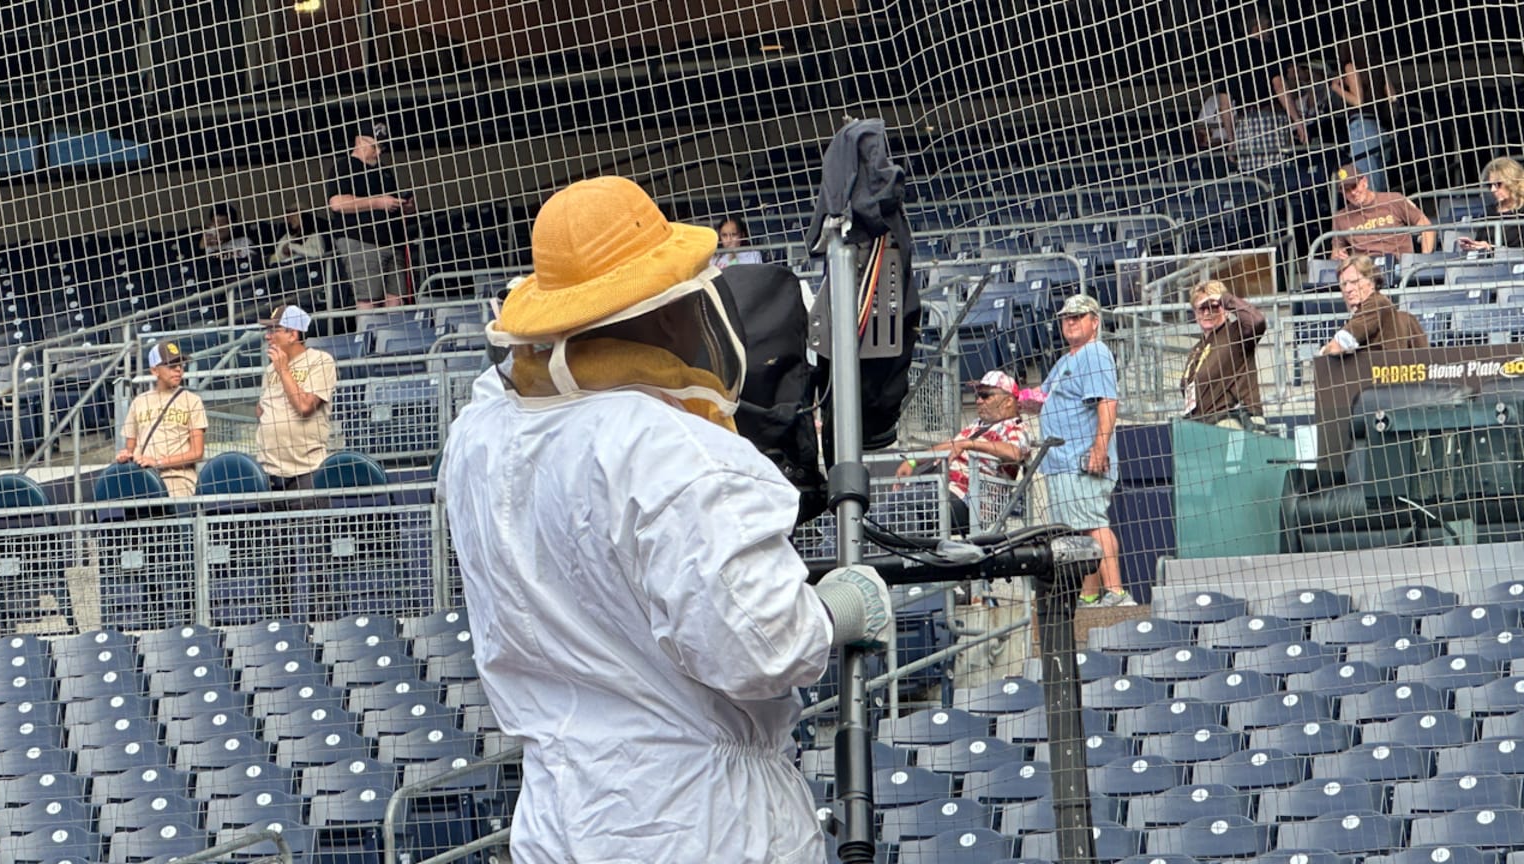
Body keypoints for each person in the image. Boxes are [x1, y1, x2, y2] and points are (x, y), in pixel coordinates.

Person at [440, 175, 892, 864]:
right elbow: (758, 647)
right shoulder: (673, 450)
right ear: (664, 311)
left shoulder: (479, 437)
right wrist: (834, 612)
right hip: (699, 823)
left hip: (559, 817)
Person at [1027, 295, 1131, 608]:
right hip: (1061, 462)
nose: (1070, 322)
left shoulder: (1095, 353)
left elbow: (1108, 402)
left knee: (1093, 524)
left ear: (1094, 321)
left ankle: (1116, 594)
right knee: (1080, 530)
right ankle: (1089, 596)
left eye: (1078, 316)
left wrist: (1099, 448)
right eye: (1066, 317)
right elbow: (1041, 398)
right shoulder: (1064, 361)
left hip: (1081, 459)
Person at [894, 370, 1028, 531]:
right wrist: (912, 461)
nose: (978, 401)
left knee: (902, 505)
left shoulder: (1015, 427)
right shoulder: (976, 425)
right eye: (977, 395)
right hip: (943, 489)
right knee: (888, 507)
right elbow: (950, 445)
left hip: (971, 500)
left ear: (1008, 401)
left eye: (985, 395)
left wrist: (969, 444)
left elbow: (1015, 452)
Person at [326, 121, 415, 321]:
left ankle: (394, 337)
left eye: (382, 147)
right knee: (369, 302)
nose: (379, 152)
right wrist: (377, 202)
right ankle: (369, 339)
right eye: (375, 146)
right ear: (359, 141)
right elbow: (337, 203)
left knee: (397, 300)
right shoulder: (344, 166)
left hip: (392, 241)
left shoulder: (383, 170)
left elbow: (388, 202)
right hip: (362, 241)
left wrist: (403, 206)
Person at [255, 304, 337, 492]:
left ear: (293, 335)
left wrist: (283, 370)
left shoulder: (320, 360)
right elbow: (261, 409)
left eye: (274, 330)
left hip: (307, 470)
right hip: (269, 470)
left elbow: (305, 407)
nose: (267, 336)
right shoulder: (271, 369)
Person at [1215, 6, 1307, 172]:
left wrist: (1231, 139)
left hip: (1244, 126)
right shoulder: (1268, 50)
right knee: (1277, 177)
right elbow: (1279, 86)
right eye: (1268, 26)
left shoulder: (1230, 55)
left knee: (1253, 181)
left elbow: (1225, 104)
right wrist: (1297, 120)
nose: (1270, 31)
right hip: (1271, 121)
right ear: (1257, 27)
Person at [117, 340, 208, 497]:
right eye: (171, 365)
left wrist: (159, 462)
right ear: (155, 370)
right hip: (143, 480)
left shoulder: (192, 400)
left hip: (178, 481)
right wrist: (125, 456)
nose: (178, 369)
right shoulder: (139, 401)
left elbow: (197, 452)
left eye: (181, 365)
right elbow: (130, 449)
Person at [1180, 281, 1266, 427]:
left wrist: (1224, 298)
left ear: (1224, 309)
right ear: (1195, 313)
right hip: (1203, 426)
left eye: (1213, 307)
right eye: (1202, 308)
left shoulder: (1236, 332)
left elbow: (1257, 321)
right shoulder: (1197, 349)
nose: (1207, 313)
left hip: (1235, 422)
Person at [1319, 254, 1429, 356]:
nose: (1348, 289)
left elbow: (1339, 345)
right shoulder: (1403, 316)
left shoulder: (1376, 303)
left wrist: (1324, 352)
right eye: (1343, 284)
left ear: (1371, 282)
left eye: (1354, 282)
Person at [1328, 36, 1398, 193]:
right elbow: (1393, 97)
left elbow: (1358, 100)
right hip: (1378, 125)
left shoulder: (1350, 67)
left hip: (1361, 126)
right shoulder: (1377, 66)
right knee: (1380, 180)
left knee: (1366, 181)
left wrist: (1337, 88)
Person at [1329, 165, 1435, 259]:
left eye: (1354, 186)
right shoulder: (1340, 217)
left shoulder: (1394, 200)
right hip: (1365, 270)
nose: (1352, 192)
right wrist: (1337, 256)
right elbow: (1336, 252)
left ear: (1364, 182)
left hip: (1401, 266)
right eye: (1346, 190)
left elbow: (1427, 226)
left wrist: (1423, 260)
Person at [1458, 157, 1524, 253]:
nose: (1493, 190)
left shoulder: (1522, 211)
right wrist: (1475, 245)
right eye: (1490, 185)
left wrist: (1492, 248)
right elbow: (1481, 241)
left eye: (1497, 184)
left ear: (1512, 182)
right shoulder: (1490, 211)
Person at [268, 200, 328, 264]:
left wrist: (294, 247)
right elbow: (274, 259)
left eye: (294, 214)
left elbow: (319, 253)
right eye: (289, 216)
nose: (290, 218)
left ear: (304, 216)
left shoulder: (314, 236)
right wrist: (284, 252)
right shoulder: (286, 237)